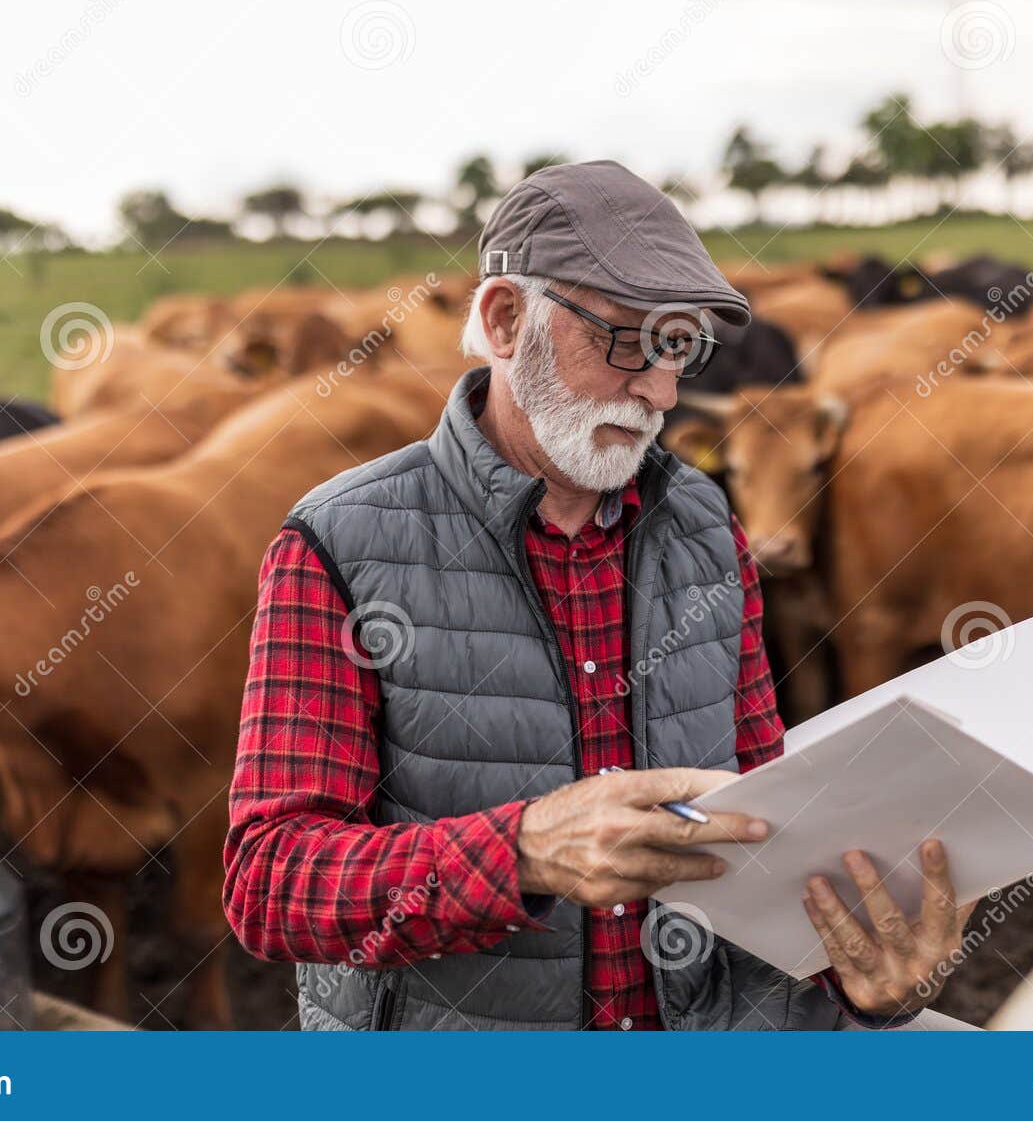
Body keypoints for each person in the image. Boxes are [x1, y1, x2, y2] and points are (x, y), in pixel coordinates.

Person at [223, 160, 974, 1030]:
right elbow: (270, 883)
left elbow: (768, 814)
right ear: (507, 321)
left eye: (681, 347)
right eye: (626, 342)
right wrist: (522, 851)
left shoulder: (704, 524)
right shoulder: (341, 544)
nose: (660, 391)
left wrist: (863, 979)